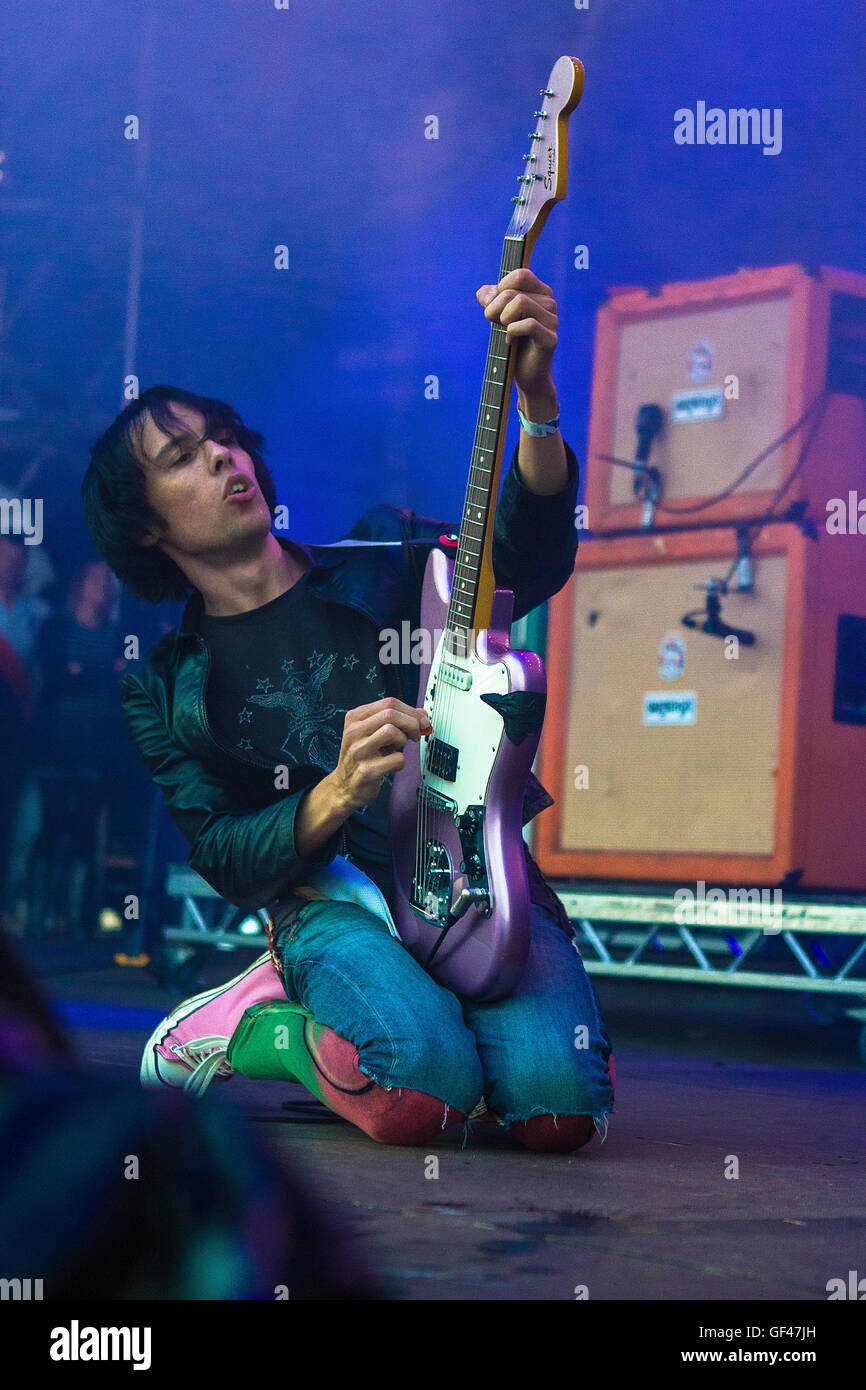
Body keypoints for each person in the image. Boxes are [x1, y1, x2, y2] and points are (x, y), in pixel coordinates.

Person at [81, 268, 616, 1152]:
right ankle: (259, 1021)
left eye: (226, 439)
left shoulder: (387, 553)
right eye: (182, 458)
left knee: (558, 1113)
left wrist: (538, 403)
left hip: (469, 873)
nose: (223, 458)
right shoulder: (166, 687)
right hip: (330, 899)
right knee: (418, 1097)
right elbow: (224, 854)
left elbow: (526, 555)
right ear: (145, 528)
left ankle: (438, 1020)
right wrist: (333, 792)